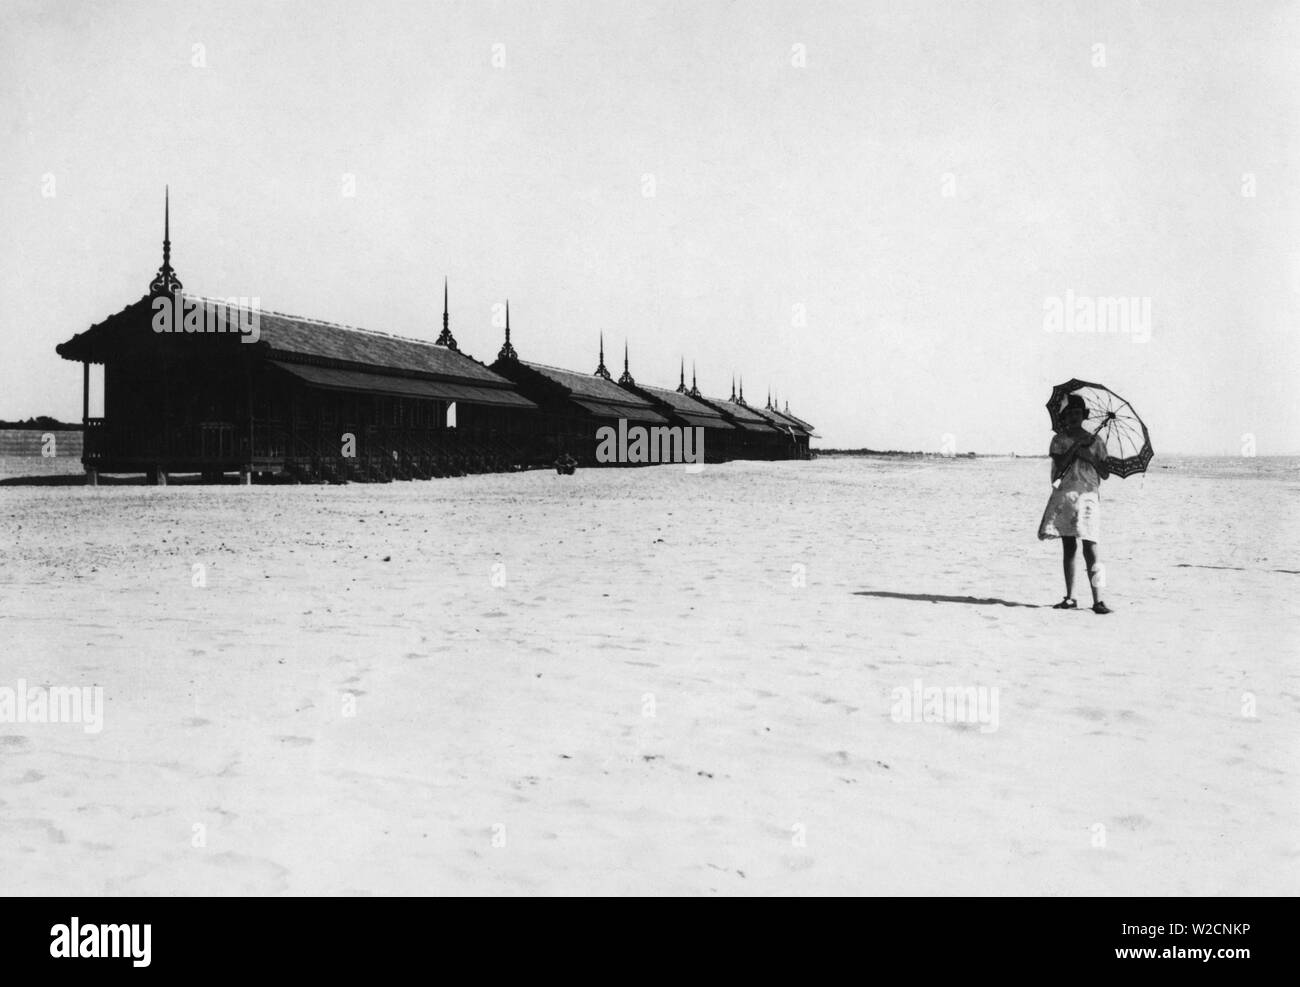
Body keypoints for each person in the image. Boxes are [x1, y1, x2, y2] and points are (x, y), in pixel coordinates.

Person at [1038, 394, 1112, 614]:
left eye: (1077, 413)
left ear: (1084, 415)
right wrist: (1075, 447)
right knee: (1069, 547)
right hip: (1066, 496)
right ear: (1063, 417)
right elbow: (1059, 465)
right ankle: (1070, 597)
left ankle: (1098, 599)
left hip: (1089, 497)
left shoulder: (1096, 441)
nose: (1072, 417)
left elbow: (1106, 473)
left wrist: (1088, 456)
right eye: (1068, 414)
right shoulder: (1058, 440)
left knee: (1092, 547)